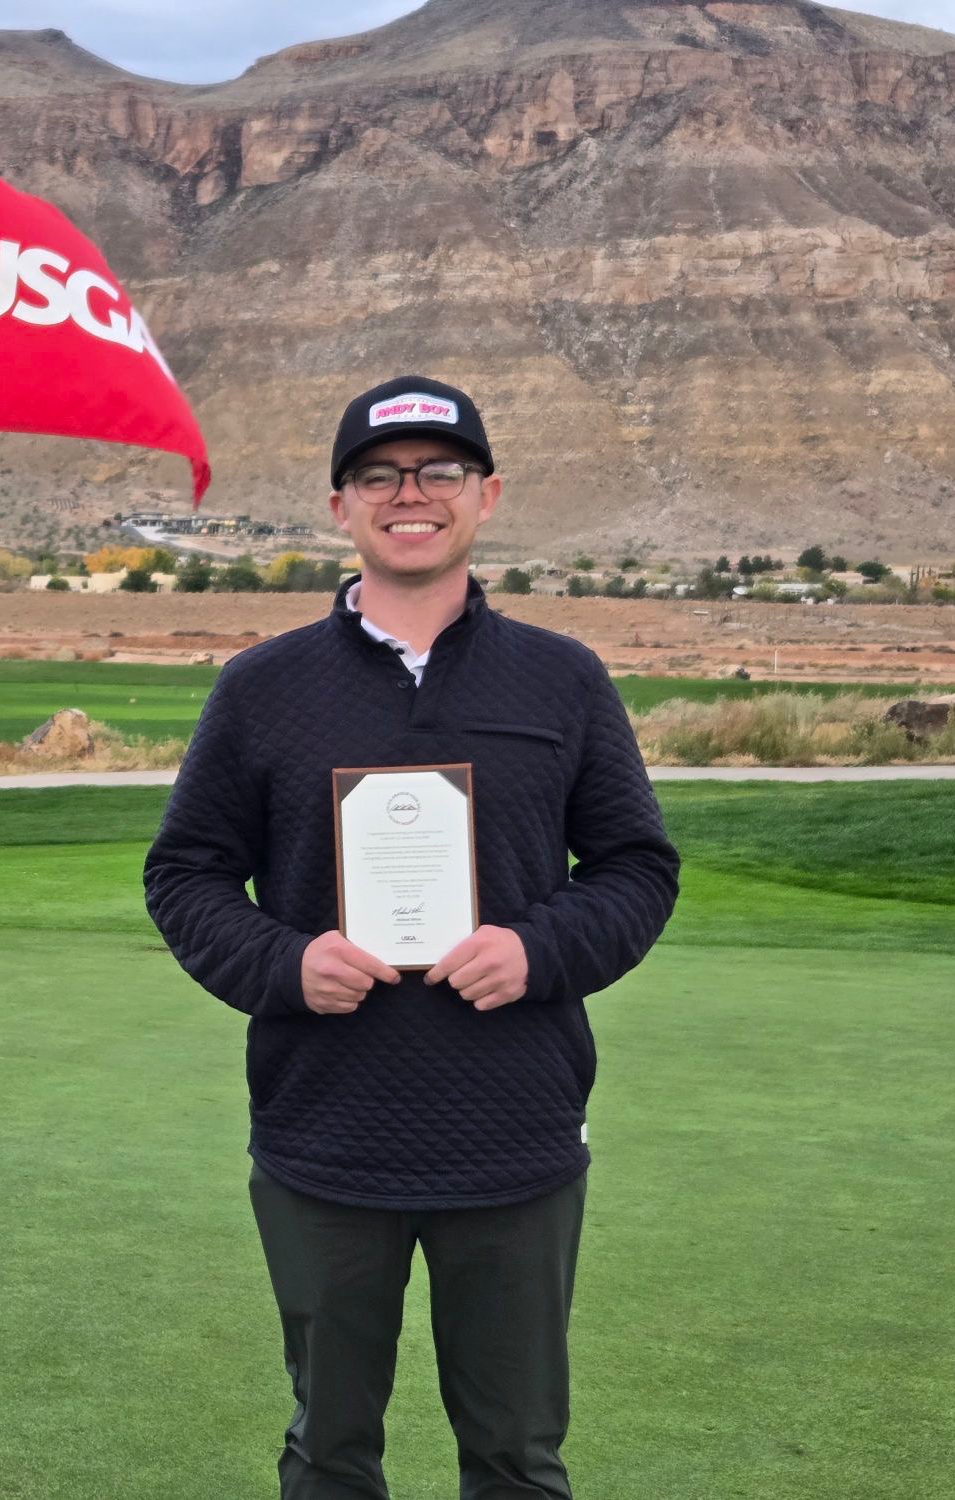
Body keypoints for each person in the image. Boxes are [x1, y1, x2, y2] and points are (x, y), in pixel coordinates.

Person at [144, 375, 679, 1500]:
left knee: (516, 1459)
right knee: (329, 1455)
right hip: (324, 1137)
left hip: (516, 1137)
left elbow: (636, 869)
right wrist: (284, 963)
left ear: (486, 494)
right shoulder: (261, 689)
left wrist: (538, 949)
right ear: (340, 506)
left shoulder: (563, 680)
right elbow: (185, 876)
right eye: (378, 476)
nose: (410, 495)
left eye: (440, 471)